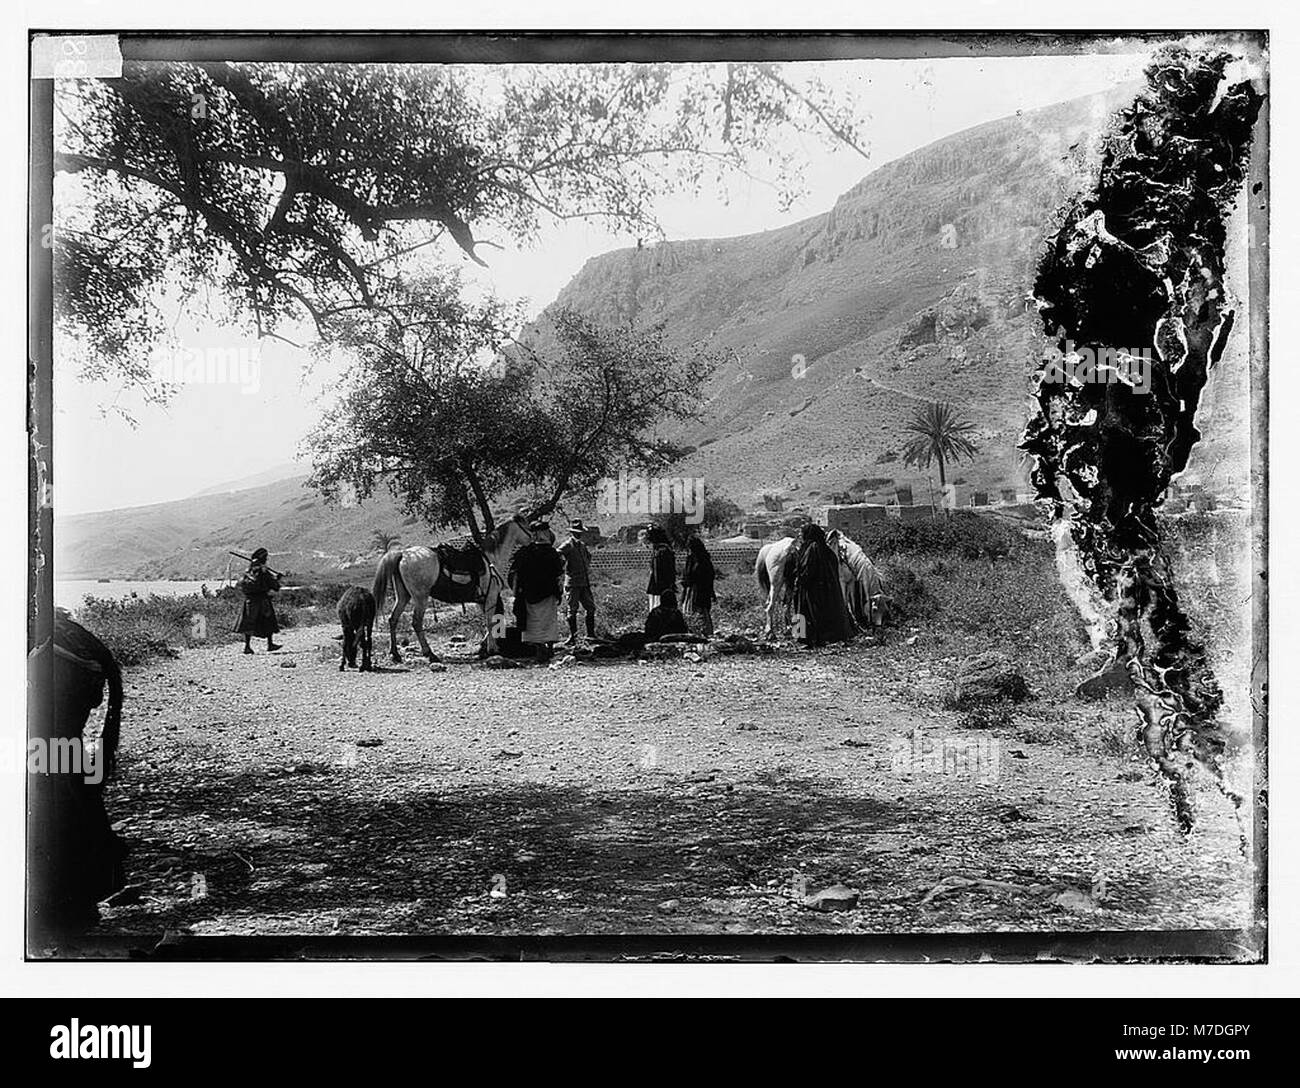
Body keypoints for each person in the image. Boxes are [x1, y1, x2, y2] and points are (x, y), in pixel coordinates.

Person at [509, 521, 564, 661]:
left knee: (533, 622)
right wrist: (559, 592)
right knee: (549, 621)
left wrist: (516, 592)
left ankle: (540, 649)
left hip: (529, 594)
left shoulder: (523, 553)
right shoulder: (552, 552)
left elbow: (514, 573)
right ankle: (549, 649)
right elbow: (559, 574)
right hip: (549, 593)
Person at [790, 523, 854, 646]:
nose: (801, 536)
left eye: (803, 534)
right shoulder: (827, 550)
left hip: (810, 589)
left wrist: (800, 580)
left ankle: (803, 638)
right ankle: (826, 637)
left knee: (802, 610)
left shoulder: (811, 548)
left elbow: (807, 569)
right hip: (827, 590)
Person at [235, 547, 282, 653]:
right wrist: (277, 579)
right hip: (263, 600)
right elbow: (274, 586)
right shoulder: (263, 571)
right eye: (266, 557)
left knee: (249, 622)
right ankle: (270, 644)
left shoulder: (248, 571)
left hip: (250, 600)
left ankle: (247, 646)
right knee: (268, 620)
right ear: (263, 558)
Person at [558, 519, 597, 643]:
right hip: (573, 582)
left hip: (584, 582)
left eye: (579, 532)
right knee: (572, 609)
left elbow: (588, 557)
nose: (578, 534)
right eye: (575, 532)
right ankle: (573, 637)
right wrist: (563, 565)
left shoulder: (582, 545)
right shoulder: (567, 545)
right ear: (572, 533)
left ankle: (590, 635)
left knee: (590, 608)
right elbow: (557, 554)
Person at [680, 534, 717, 637]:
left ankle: (702, 633)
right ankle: (699, 633)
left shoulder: (700, 560)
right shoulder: (697, 559)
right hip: (696, 591)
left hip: (698, 591)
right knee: (697, 612)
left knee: (699, 612)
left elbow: (708, 577)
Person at [645, 525, 677, 612]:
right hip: (662, 588)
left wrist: (660, 588)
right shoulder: (665, 550)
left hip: (659, 589)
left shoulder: (661, 552)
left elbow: (658, 573)